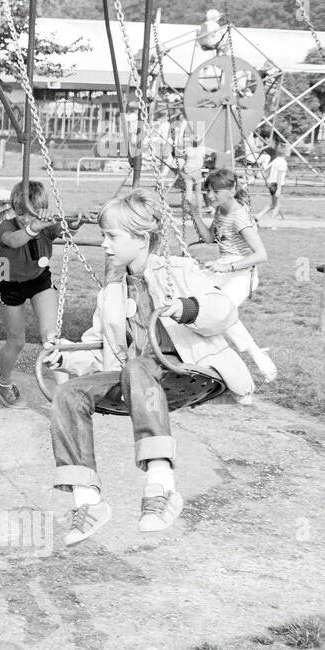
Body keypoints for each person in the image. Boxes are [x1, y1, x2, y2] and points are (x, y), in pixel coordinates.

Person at [42, 189, 252, 545]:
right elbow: (100, 350)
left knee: (138, 366)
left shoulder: (178, 271)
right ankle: (88, 502)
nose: (105, 245)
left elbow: (223, 310)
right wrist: (63, 357)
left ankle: (161, 486)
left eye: (112, 237)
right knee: (67, 392)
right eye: (103, 236)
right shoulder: (110, 292)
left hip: (190, 373)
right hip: (138, 380)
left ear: (141, 239)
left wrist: (187, 308)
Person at [184, 168, 277, 398]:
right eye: (208, 190)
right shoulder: (220, 211)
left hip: (243, 272)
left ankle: (257, 357)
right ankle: (213, 361)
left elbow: (261, 255)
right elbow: (209, 238)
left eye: (216, 191)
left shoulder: (239, 216)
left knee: (220, 312)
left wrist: (227, 266)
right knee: (195, 303)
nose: (210, 195)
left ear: (231, 191)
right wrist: (195, 213)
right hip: (223, 266)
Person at [0, 180, 66, 408]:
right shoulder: (6, 226)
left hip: (39, 280)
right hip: (11, 283)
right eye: (20, 212)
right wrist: (33, 227)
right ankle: (2, 384)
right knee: (16, 341)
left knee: (51, 338)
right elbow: (14, 241)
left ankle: (64, 394)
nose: (25, 218)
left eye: (31, 213)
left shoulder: (45, 225)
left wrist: (75, 222)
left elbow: (65, 228)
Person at [259, 143, 289, 224]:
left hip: (270, 183)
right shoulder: (283, 162)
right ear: (285, 152)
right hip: (276, 184)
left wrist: (267, 179)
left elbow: (267, 170)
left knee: (274, 204)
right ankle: (271, 222)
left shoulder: (275, 160)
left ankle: (259, 216)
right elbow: (279, 175)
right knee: (275, 205)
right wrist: (279, 189)